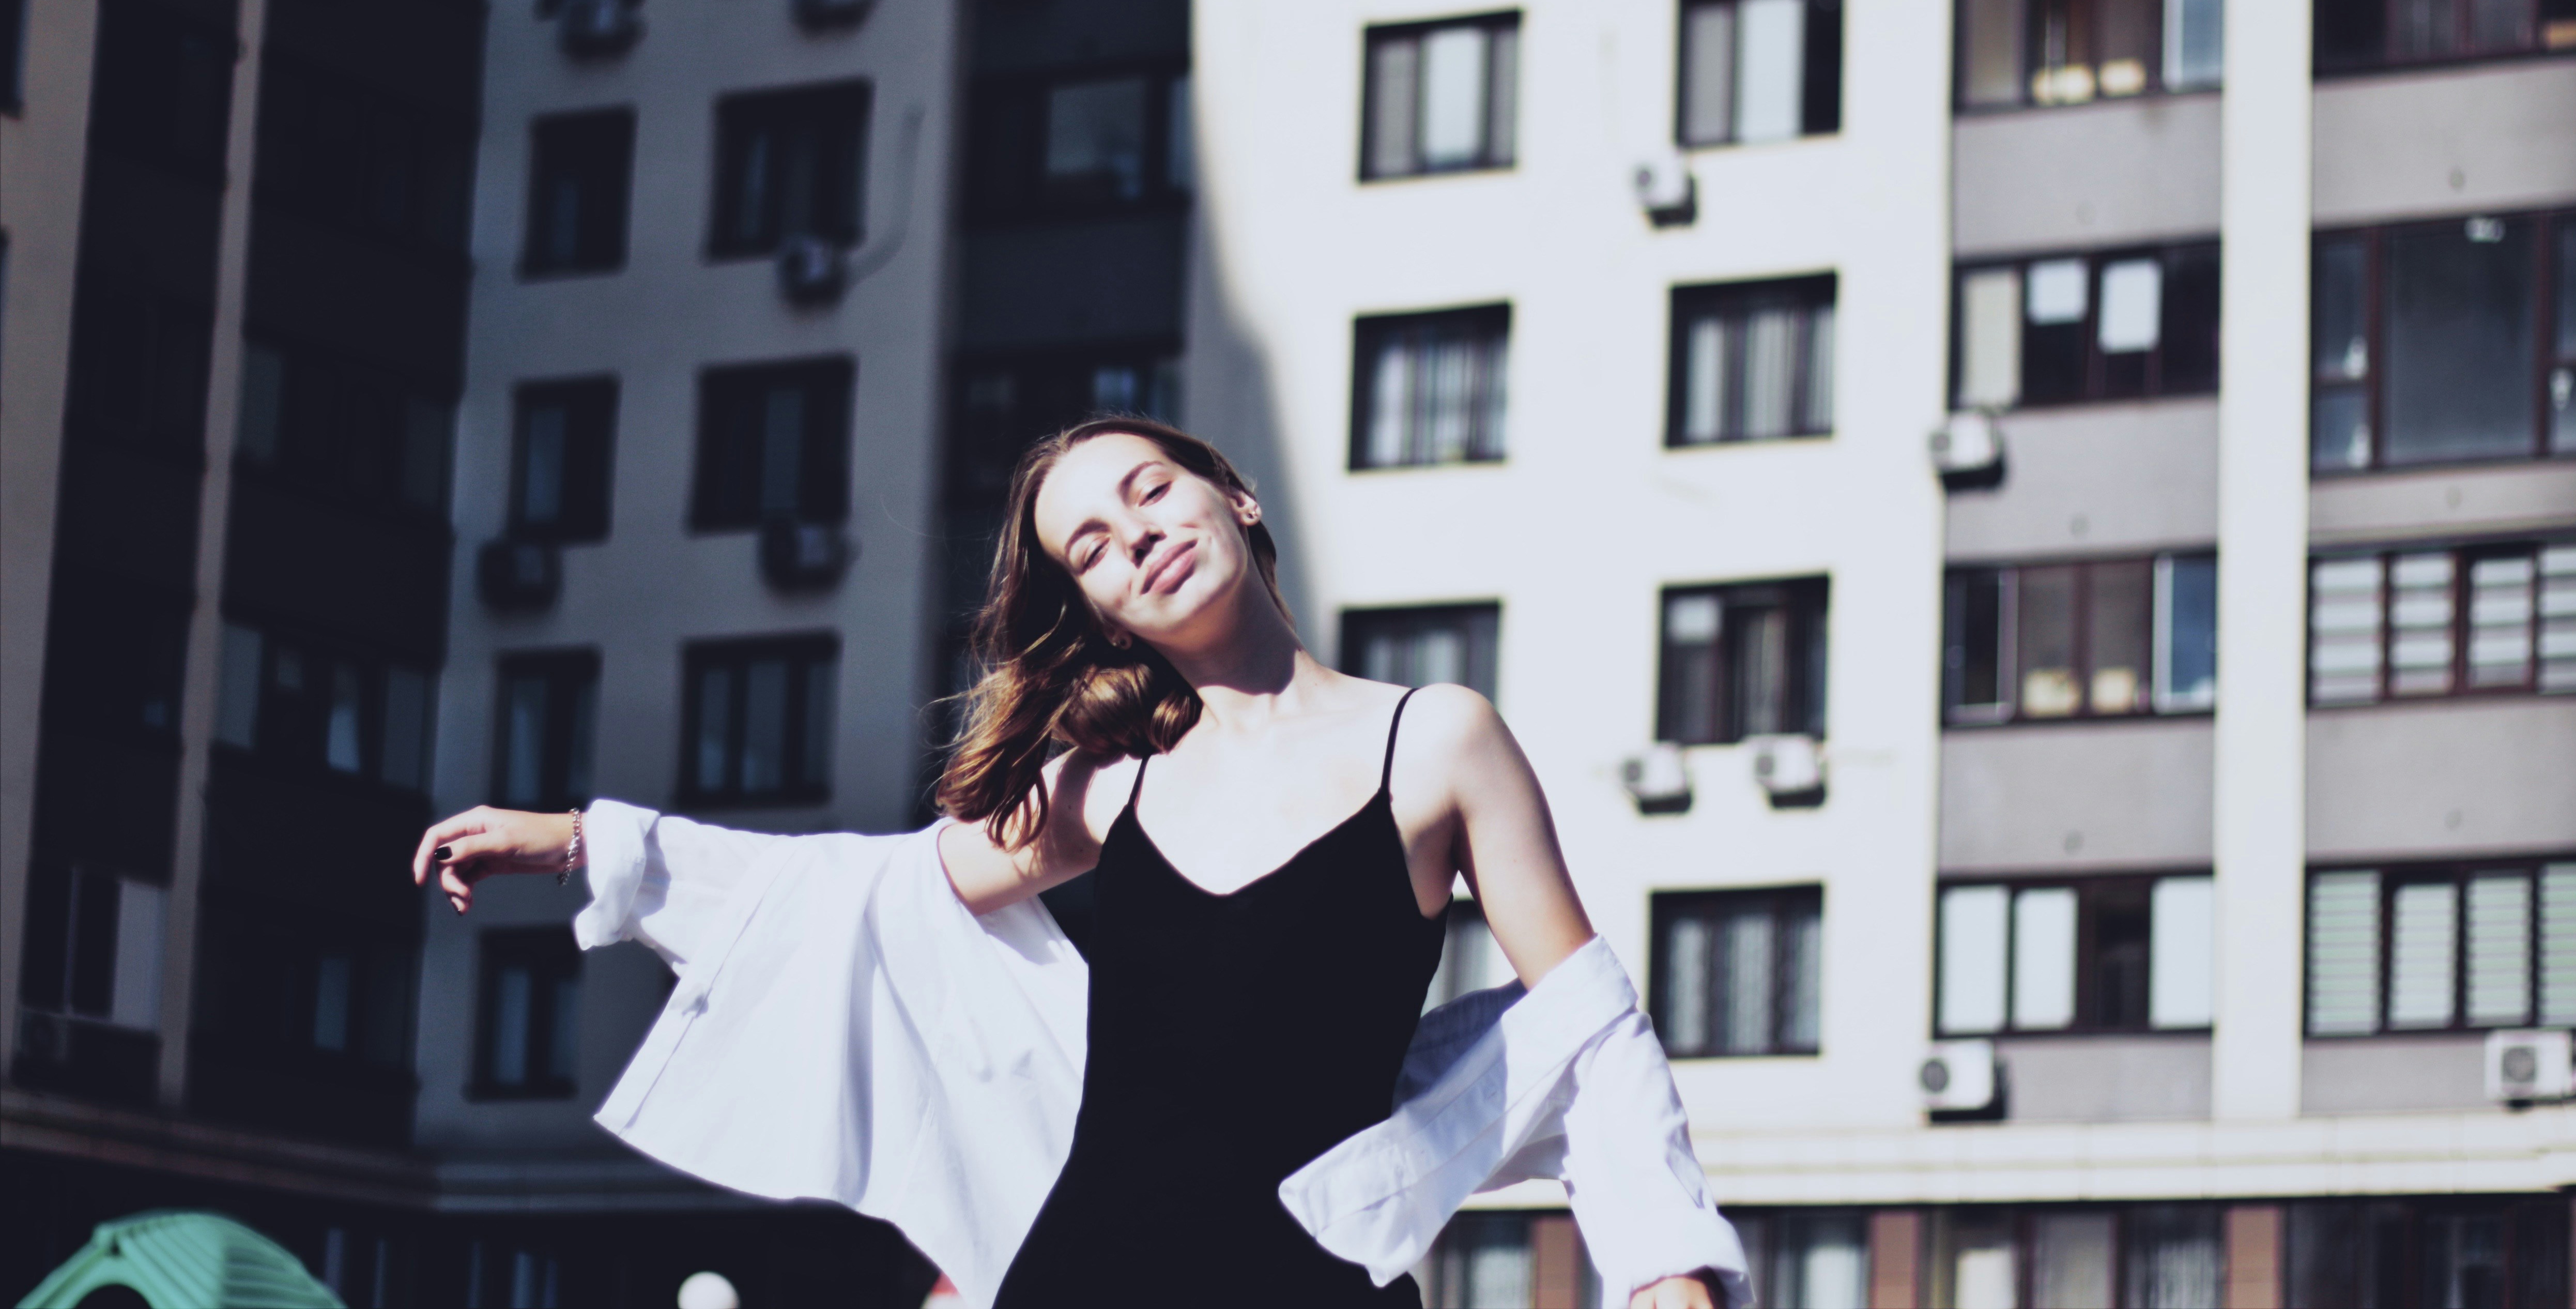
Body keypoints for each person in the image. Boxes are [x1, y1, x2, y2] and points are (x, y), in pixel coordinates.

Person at [416, 419, 1737, 1309]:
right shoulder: (1111, 785)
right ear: (1098, 609)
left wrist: (1668, 1267)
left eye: (1148, 492)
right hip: (1084, 1278)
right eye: (1090, 547)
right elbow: (863, 893)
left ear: (1236, 493)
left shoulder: (1438, 741)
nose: (1135, 537)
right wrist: (596, 846)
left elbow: (1589, 1027)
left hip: (1312, 1281)